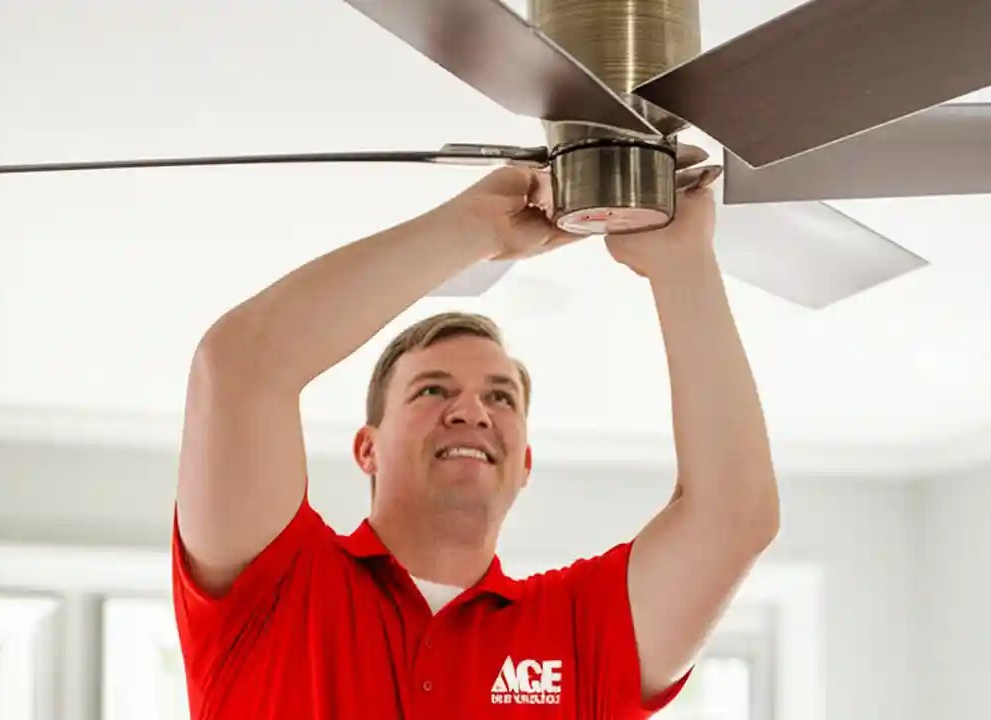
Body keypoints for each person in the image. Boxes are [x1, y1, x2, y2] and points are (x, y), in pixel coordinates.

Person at [171, 163, 781, 718]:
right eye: (432, 391)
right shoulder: (275, 586)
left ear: (525, 464)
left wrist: (682, 262)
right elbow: (238, 369)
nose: (472, 411)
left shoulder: (575, 630)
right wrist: (472, 229)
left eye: (500, 397)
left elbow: (733, 518)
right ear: (367, 448)